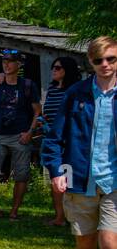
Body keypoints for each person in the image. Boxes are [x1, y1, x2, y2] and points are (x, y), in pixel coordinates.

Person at [42, 36, 117, 249]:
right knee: (85, 242)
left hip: (113, 180)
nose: (106, 65)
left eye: (111, 59)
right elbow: (53, 136)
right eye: (99, 60)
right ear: (90, 62)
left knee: (110, 240)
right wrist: (58, 171)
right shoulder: (76, 94)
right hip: (80, 178)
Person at [0, 49, 42, 219]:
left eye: (10, 61)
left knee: (21, 175)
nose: (6, 64)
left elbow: (38, 110)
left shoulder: (28, 85)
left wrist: (30, 132)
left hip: (20, 135)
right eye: (4, 61)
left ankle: (14, 212)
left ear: (19, 64)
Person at [43, 58, 77, 226]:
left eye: (58, 68)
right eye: (53, 67)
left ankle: (72, 215)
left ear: (67, 70)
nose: (54, 71)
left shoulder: (73, 91)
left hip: (70, 139)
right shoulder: (51, 89)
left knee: (69, 176)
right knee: (55, 175)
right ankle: (59, 216)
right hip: (52, 137)